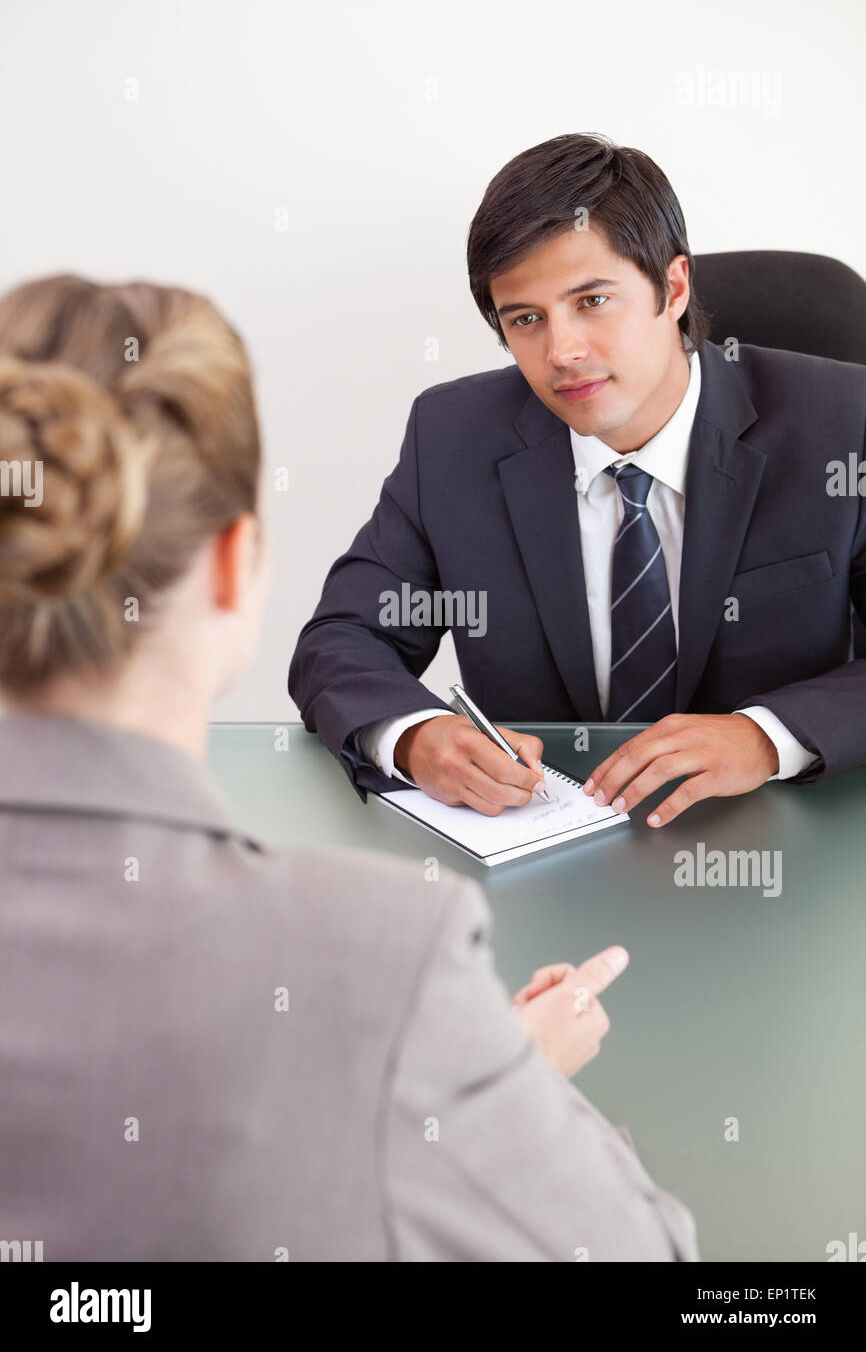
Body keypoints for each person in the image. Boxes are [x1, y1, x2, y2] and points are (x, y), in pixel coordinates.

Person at [0, 274, 697, 1261]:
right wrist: (501, 1086)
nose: (563, 349)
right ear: (239, 563)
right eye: (526, 318)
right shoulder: (381, 956)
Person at [289, 133, 866, 829]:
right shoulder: (451, 438)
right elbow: (342, 638)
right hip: (546, 849)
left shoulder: (841, 423)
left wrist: (767, 737)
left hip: (784, 845)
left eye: (592, 301)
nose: (562, 351)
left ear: (673, 287)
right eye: (526, 319)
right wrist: (413, 736)